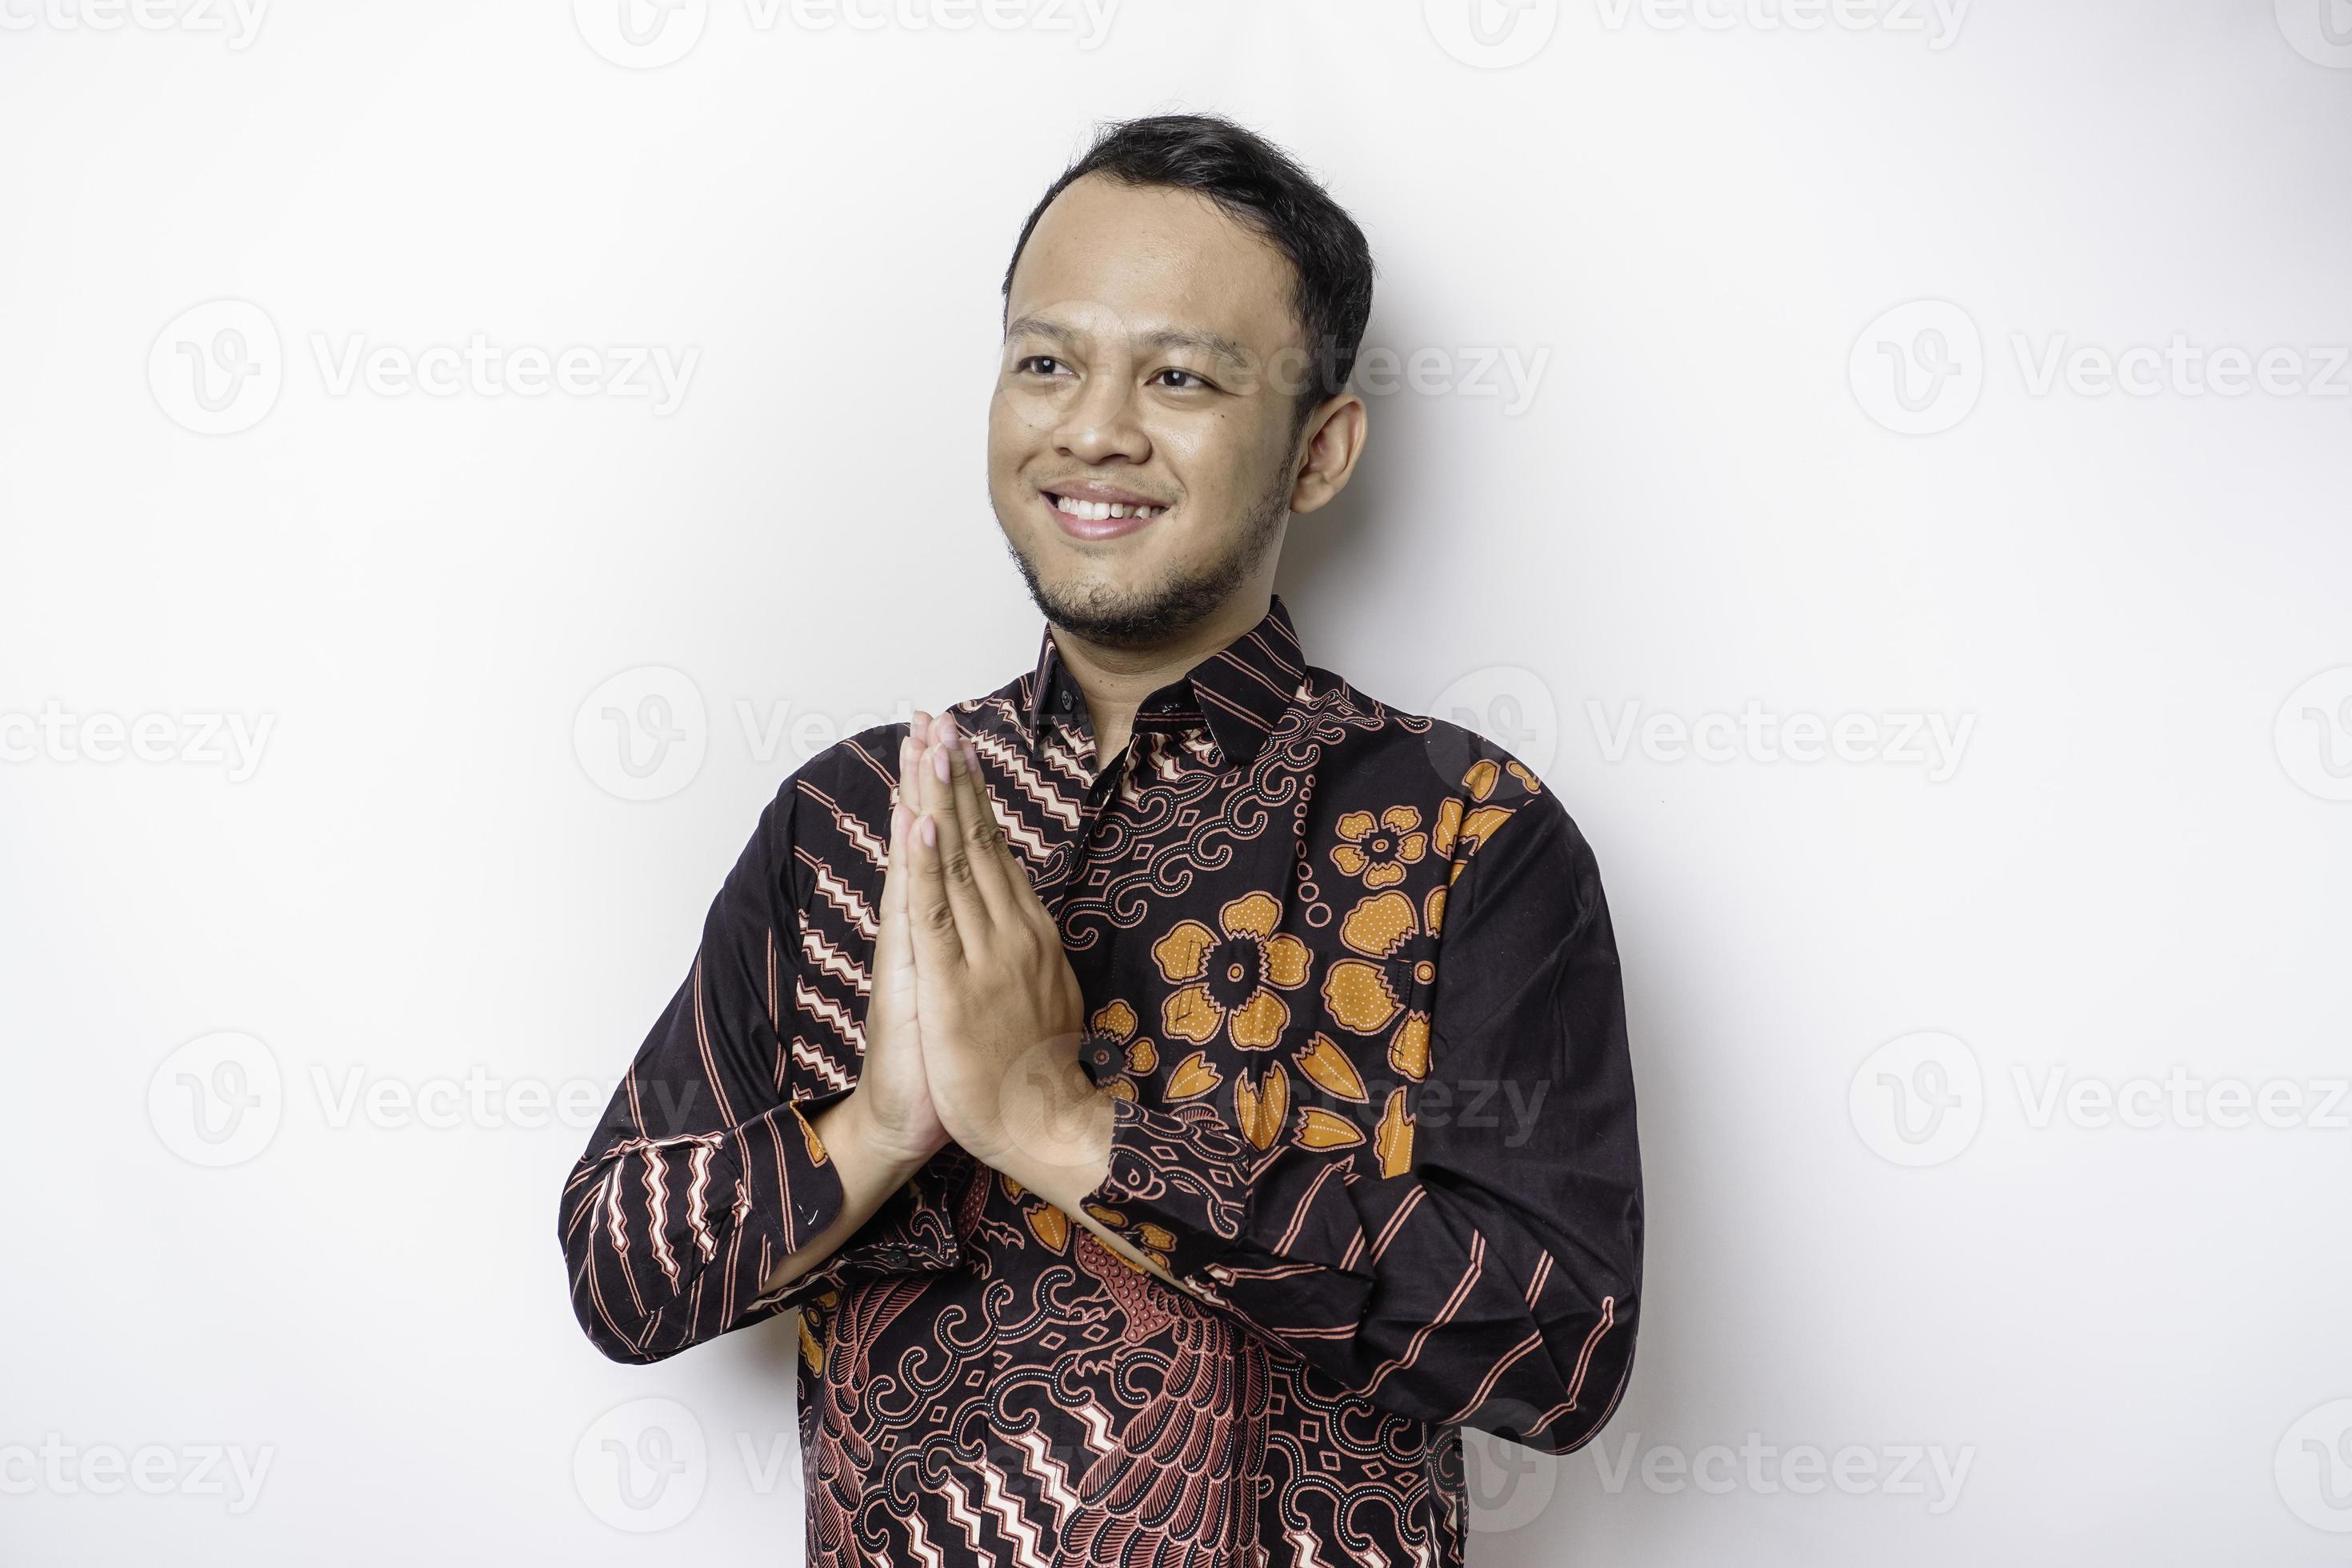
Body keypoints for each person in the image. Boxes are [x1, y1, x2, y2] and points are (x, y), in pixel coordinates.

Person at [558, 111, 1642, 1566]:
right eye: (1047, 360)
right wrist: (882, 1128)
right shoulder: (858, 820)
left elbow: (1562, 1349)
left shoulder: (1463, 835)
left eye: (1180, 375)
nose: (1093, 428)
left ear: (1320, 452)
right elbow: (623, 1275)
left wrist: (1074, 1134)